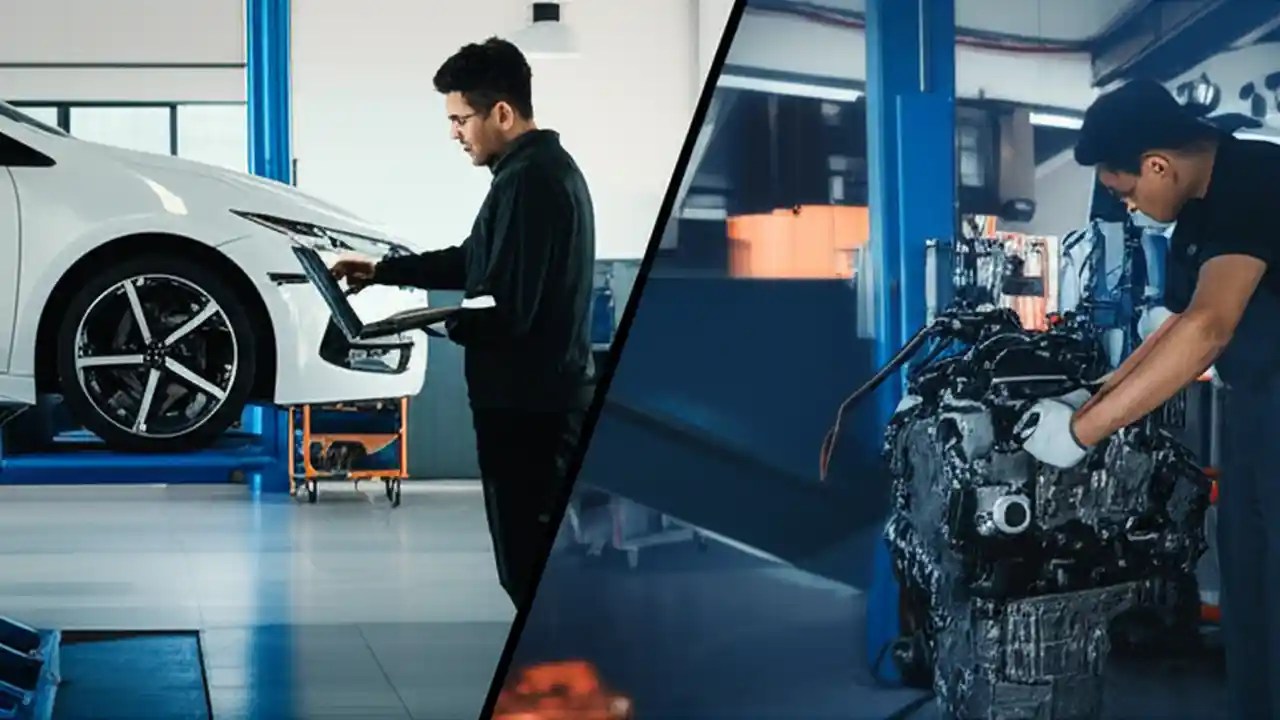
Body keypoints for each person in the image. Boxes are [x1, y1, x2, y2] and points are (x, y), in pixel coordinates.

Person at [1014, 79, 1280, 717]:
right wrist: (1092, 396)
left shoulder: (1256, 180)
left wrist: (1082, 435)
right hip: (1256, 412)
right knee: (1251, 599)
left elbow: (1209, 327)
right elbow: (1182, 325)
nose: (1129, 208)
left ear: (1157, 165)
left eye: (1127, 192)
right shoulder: (1197, 210)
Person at [331, 37, 597, 608]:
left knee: (529, 566)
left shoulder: (532, 181)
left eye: (461, 119)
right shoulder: (527, 174)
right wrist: (381, 270)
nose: (454, 132)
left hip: (529, 412)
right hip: (534, 404)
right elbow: (472, 260)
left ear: (502, 112)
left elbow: (508, 310)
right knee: (530, 561)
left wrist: (441, 323)